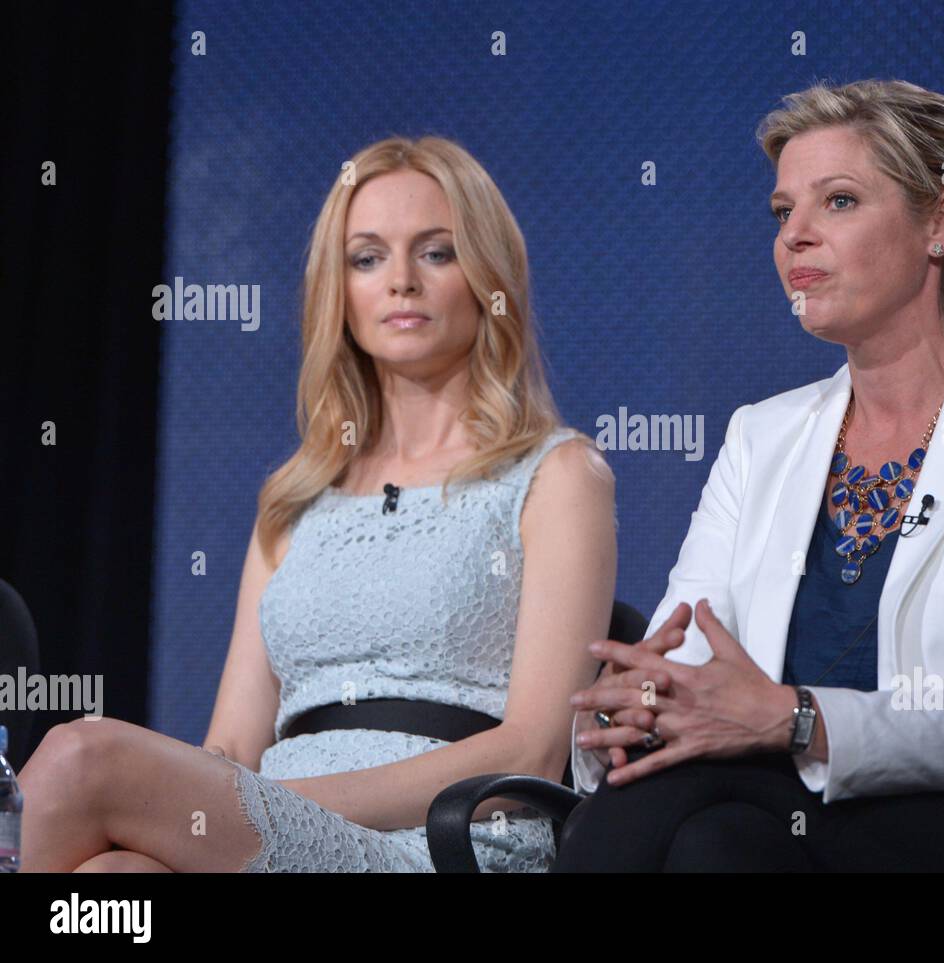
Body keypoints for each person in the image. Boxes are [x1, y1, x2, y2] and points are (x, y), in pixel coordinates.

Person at [559, 79, 944, 872]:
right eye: (784, 213)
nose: (795, 238)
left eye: (838, 202)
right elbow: (687, 651)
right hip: (773, 810)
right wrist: (640, 705)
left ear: (941, 223)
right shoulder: (761, 435)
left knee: (705, 835)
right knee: (697, 830)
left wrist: (795, 718)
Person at [17, 135, 616, 872]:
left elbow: (532, 745)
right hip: (275, 827)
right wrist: (224, 806)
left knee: (81, 755)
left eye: (435, 252)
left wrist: (292, 800)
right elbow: (232, 747)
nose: (400, 281)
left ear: (489, 275)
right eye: (367, 258)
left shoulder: (556, 473)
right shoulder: (295, 498)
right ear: (341, 291)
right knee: (114, 882)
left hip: (447, 839)